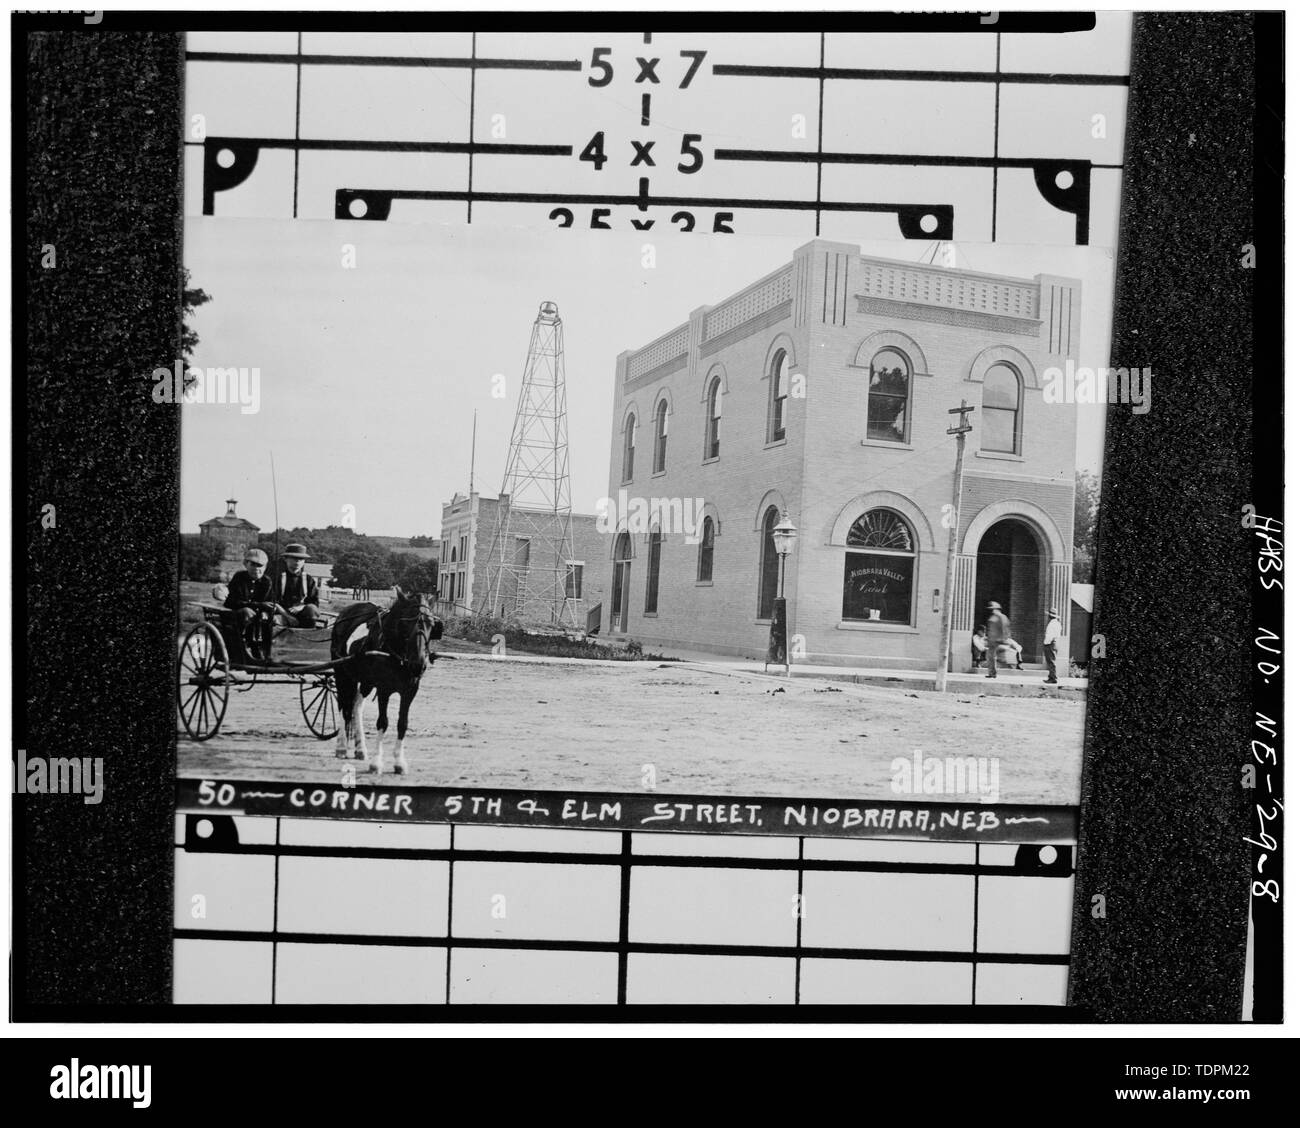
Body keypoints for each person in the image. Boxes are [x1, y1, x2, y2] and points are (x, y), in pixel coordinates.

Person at [223, 548, 277, 660]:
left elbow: (269, 602)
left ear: (265, 567)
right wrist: (257, 605)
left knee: (267, 617)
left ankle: (266, 650)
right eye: (253, 564)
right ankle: (246, 647)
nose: (256, 569)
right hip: (237, 614)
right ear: (245, 564)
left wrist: (264, 611)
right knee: (248, 612)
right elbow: (231, 602)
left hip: (259, 617)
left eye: (260, 565)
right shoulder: (239, 578)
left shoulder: (267, 581)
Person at [275, 543, 320, 628]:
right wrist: (287, 616)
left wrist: (301, 607)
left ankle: (308, 636)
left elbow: (314, 602)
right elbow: (273, 601)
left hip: (303, 616)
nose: (297, 562)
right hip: (282, 614)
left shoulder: (308, 580)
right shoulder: (278, 578)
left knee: (312, 609)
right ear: (286, 559)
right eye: (294, 559)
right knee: (274, 619)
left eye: (301, 559)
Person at [984, 600, 1010, 679]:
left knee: (992, 656)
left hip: (997, 640)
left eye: (992, 609)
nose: (991, 610)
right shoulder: (993, 617)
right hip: (991, 640)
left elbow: (1004, 628)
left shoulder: (1001, 617)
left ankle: (993, 673)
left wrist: (1003, 638)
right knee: (990, 657)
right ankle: (991, 673)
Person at [1043, 607, 1062, 684]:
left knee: (1051, 661)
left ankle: (1053, 677)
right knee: (1052, 660)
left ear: (1050, 616)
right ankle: (1051, 676)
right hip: (1056, 642)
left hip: (1050, 643)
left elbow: (1049, 636)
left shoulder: (1051, 624)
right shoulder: (1058, 624)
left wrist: (1046, 643)